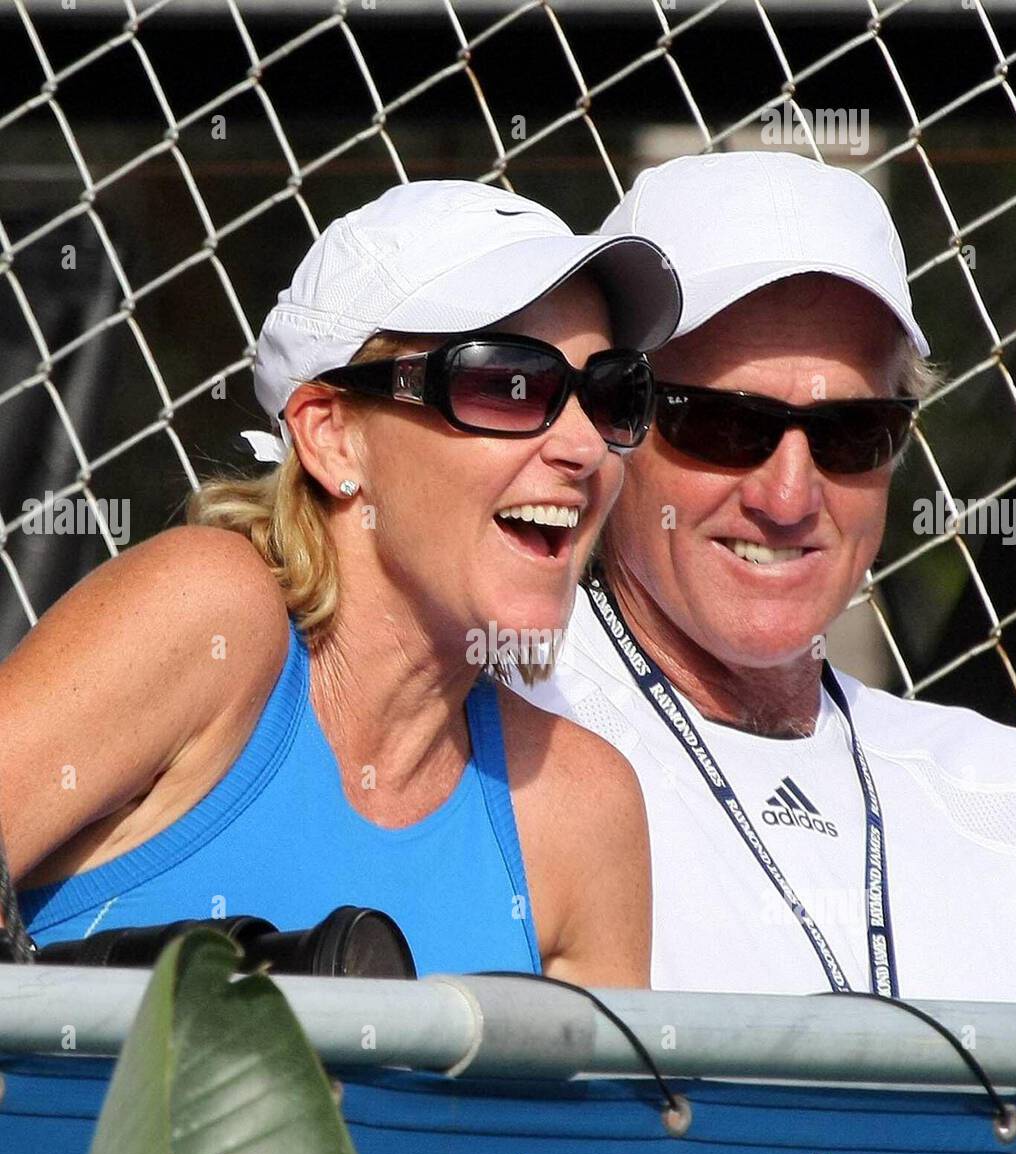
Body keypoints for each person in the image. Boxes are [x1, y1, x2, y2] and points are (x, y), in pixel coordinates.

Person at [0, 179, 683, 986]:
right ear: (331, 439)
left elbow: (582, 1120)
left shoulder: (577, 808)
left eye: (610, 394)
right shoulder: (210, 613)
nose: (582, 446)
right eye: (506, 384)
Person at [516, 152, 1016, 1002]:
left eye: (849, 433)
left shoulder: (1006, 790)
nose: (788, 498)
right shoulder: (493, 738)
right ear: (615, 423)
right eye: (725, 425)